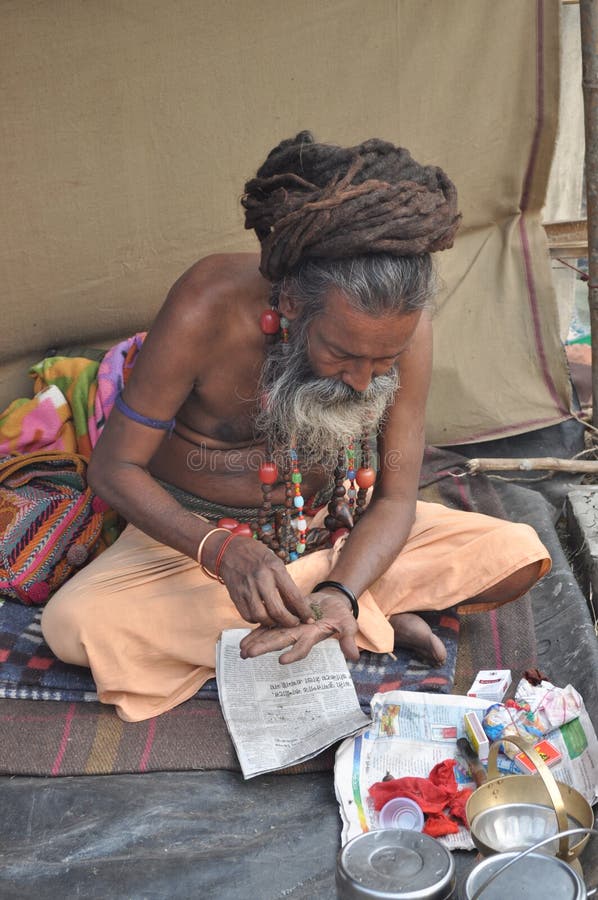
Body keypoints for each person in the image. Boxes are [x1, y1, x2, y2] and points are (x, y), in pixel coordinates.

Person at [41, 132, 551, 722]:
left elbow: (395, 500)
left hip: (338, 531)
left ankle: (331, 607)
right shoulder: (205, 305)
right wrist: (223, 551)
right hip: (194, 549)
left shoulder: (405, 328)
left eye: (383, 363)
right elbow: (114, 467)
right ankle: (371, 608)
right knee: (75, 625)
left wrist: (340, 590)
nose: (363, 382)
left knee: (516, 550)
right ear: (288, 304)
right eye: (342, 354)